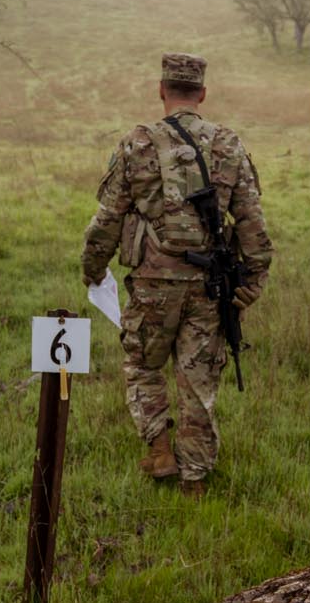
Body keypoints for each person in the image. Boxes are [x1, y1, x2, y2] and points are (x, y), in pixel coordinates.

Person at [80, 52, 274, 496]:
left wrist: (93, 271)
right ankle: (195, 480)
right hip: (209, 289)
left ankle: (161, 448)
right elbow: (252, 225)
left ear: (161, 90)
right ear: (202, 94)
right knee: (198, 380)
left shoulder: (137, 144)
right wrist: (252, 284)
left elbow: (107, 221)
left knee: (142, 366)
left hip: (151, 286)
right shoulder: (230, 145)